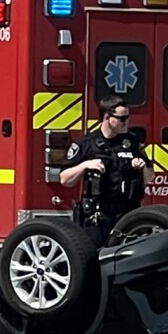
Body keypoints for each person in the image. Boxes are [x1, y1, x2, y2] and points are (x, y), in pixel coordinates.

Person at [59, 101, 149, 243]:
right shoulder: (86, 143)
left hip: (128, 213)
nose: (126, 122)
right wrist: (86, 165)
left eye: (128, 117)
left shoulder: (131, 142)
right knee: (94, 257)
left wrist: (142, 167)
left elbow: (150, 178)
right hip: (98, 214)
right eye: (122, 119)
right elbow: (64, 179)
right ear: (107, 118)